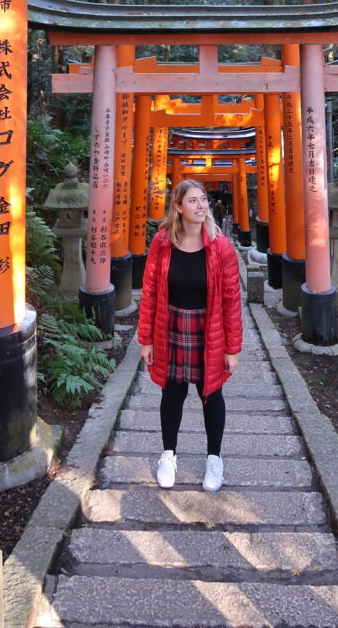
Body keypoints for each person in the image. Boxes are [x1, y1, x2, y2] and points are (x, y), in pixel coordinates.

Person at [137, 178, 242, 493]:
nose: (201, 206)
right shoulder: (162, 242)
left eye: (203, 200)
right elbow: (150, 291)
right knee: (173, 392)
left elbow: (232, 301)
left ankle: (214, 459)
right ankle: (168, 455)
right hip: (170, 326)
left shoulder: (220, 245)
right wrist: (146, 339)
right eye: (193, 201)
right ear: (178, 207)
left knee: (211, 394)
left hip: (208, 327)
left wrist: (232, 349)